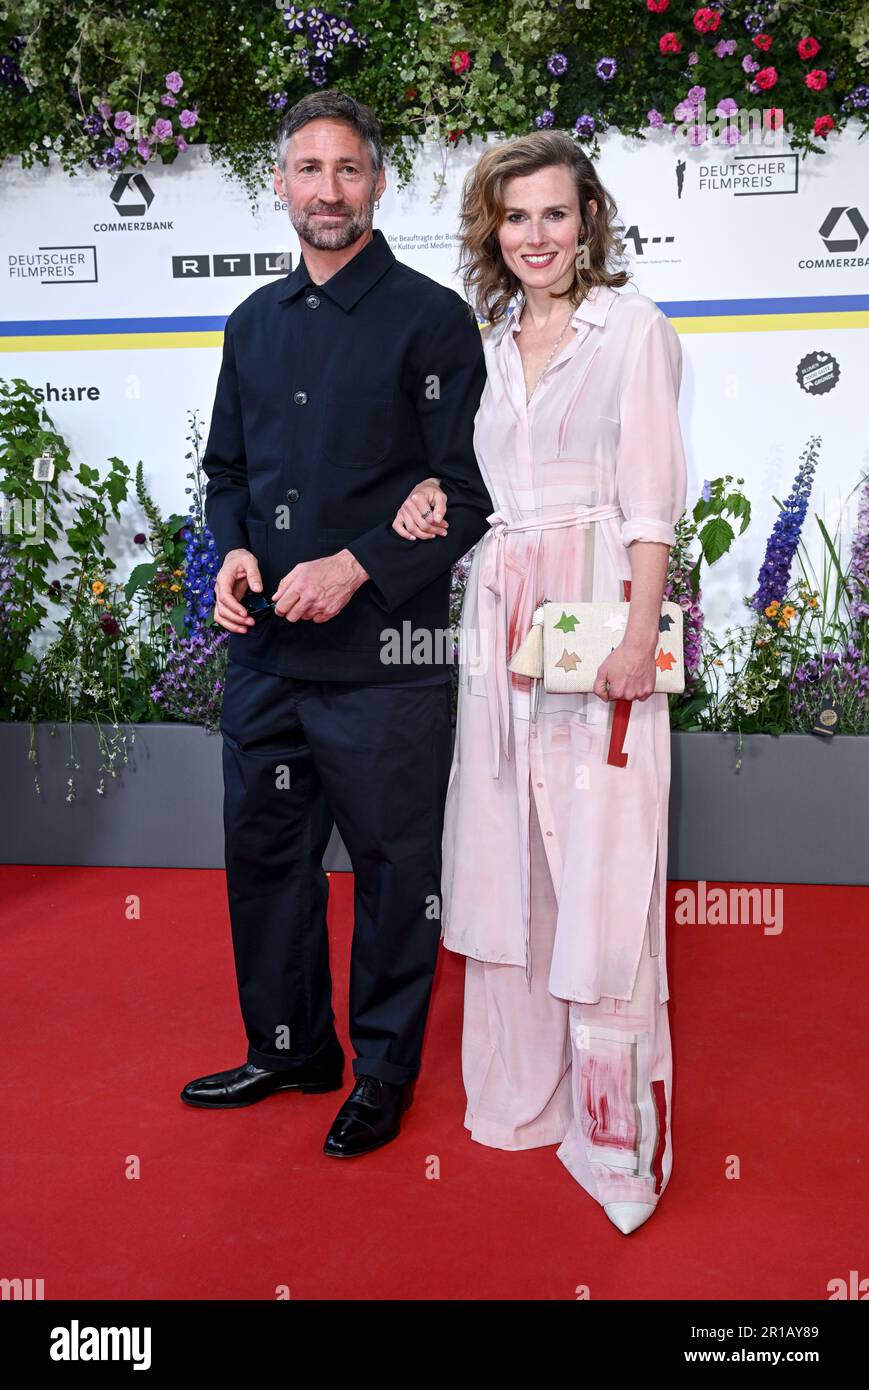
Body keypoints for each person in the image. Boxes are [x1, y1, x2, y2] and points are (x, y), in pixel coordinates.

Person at [182, 91, 493, 1158]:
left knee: (394, 874)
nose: (327, 188)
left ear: (376, 182)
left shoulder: (431, 318)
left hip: (386, 664)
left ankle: (383, 1071)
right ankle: (289, 1046)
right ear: (280, 183)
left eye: (347, 169)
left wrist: (358, 563)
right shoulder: (250, 323)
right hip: (266, 655)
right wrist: (230, 546)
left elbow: (464, 493)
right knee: (265, 858)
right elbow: (226, 472)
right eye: (307, 168)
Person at [391, 130, 688, 1233]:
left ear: (587, 221)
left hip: (594, 602)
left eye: (553, 215)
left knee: (600, 862)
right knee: (510, 850)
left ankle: (614, 1135)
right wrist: (431, 500)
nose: (535, 237)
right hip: (502, 615)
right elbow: (480, 482)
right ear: (492, 231)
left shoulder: (634, 332)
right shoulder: (490, 337)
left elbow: (651, 500)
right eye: (514, 218)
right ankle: (521, 1102)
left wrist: (633, 634)